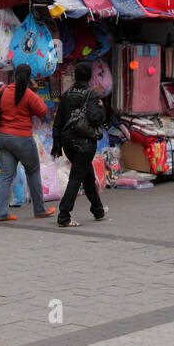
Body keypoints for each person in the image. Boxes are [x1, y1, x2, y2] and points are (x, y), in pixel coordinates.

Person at [0, 63, 56, 222]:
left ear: (14, 75)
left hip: (2, 137)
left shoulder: (2, 91)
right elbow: (42, 111)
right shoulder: (28, 94)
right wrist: (35, 92)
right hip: (22, 138)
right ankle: (39, 209)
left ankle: (1, 213)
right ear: (29, 77)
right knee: (32, 171)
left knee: (6, 175)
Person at [50, 60, 109, 227]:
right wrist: (101, 108)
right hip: (85, 143)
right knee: (76, 177)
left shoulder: (67, 94)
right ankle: (64, 216)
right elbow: (94, 118)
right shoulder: (92, 94)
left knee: (86, 174)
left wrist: (56, 145)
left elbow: (58, 122)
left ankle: (98, 210)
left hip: (68, 143)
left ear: (75, 76)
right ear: (90, 76)